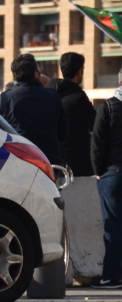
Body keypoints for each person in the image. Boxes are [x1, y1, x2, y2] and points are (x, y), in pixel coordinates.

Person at [0, 54, 67, 166]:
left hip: (19, 159)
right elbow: (63, 132)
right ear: (35, 74)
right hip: (50, 159)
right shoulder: (53, 96)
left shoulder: (6, 98)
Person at [91, 68, 122, 288]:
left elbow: (97, 144)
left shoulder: (108, 106)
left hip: (113, 175)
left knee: (113, 226)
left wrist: (99, 171)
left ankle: (111, 276)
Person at [47, 52, 97, 177]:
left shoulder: (49, 95)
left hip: (52, 163)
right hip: (76, 166)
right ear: (79, 72)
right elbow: (96, 125)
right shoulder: (78, 99)